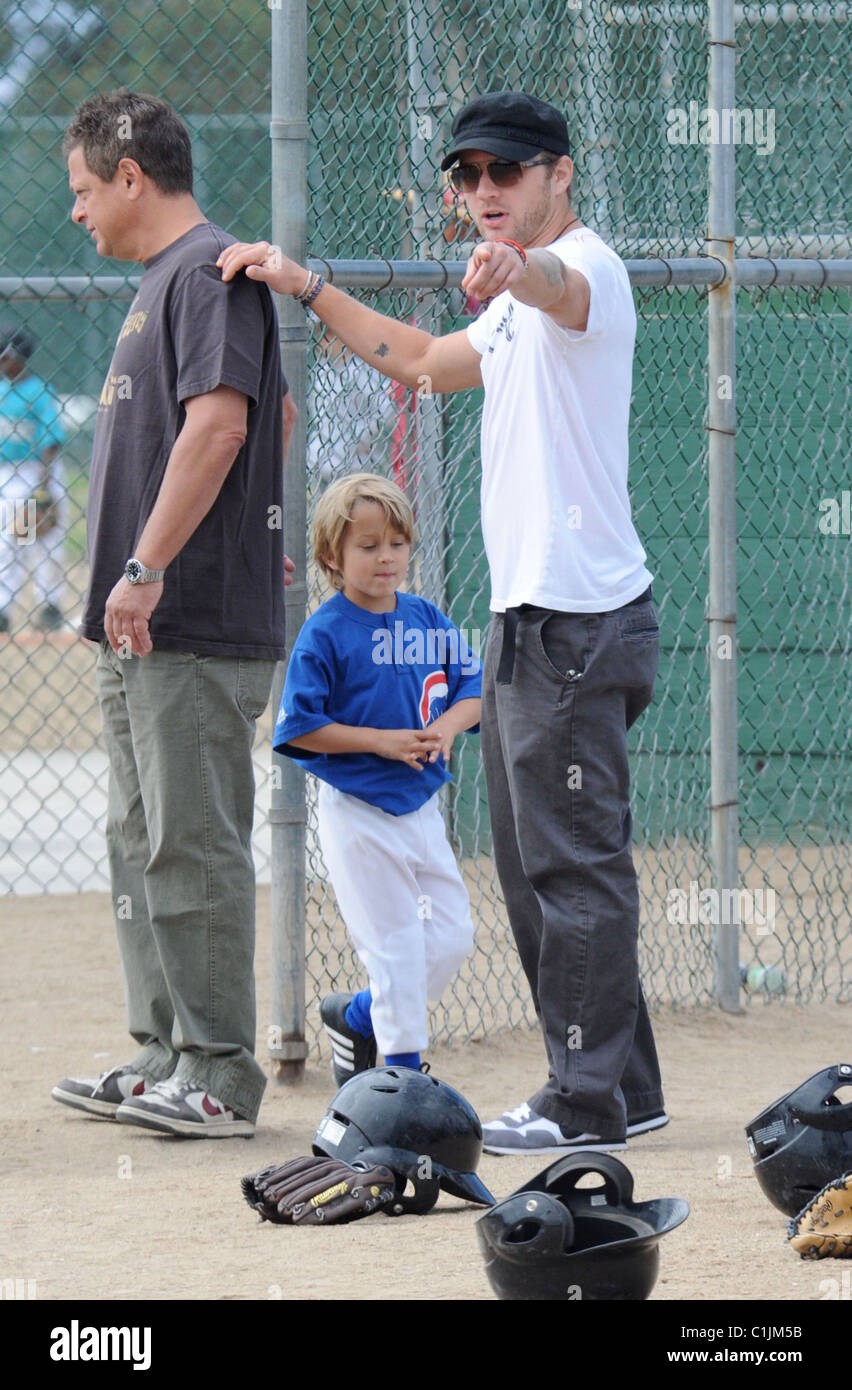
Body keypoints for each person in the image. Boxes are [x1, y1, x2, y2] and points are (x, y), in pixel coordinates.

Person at [219, 89, 667, 1155]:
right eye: (465, 178)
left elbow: (561, 287)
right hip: (534, 618)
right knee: (539, 866)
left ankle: (587, 1100)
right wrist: (307, 283)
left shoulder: (581, 268)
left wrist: (524, 270)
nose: (480, 194)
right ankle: (622, 1085)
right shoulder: (511, 308)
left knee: (571, 870)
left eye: (502, 173)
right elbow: (422, 361)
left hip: (575, 620)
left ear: (559, 173)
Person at [51, 90, 296, 1139]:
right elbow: (272, 414)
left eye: (83, 190)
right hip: (141, 624)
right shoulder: (164, 281)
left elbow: (225, 427)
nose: (76, 213)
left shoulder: (206, 273)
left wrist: (149, 562)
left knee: (191, 844)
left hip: (186, 616)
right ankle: (163, 1052)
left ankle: (220, 1074)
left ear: (131, 176)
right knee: (138, 838)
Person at [273, 472, 481, 1083]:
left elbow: (473, 690)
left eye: (396, 543)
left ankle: (359, 1014)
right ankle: (401, 1085)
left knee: (450, 938)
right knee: (394, 949)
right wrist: (379, 742)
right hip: (359, 811)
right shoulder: (326, 631)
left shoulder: (426, 617)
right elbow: (300, 726)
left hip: (421, 806)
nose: (385, 557)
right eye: (367, 546)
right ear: (331, 557)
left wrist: (444, 728)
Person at [0, 325, 67, 632]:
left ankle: (49, 604)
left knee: (45, 541)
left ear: (17, 357)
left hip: (38, 471)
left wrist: (42, 490)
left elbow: (50, 442)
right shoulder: (1, 390)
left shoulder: (38, 391)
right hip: (7, 475)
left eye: (4, 356)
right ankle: (3, 607)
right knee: (9, 542)